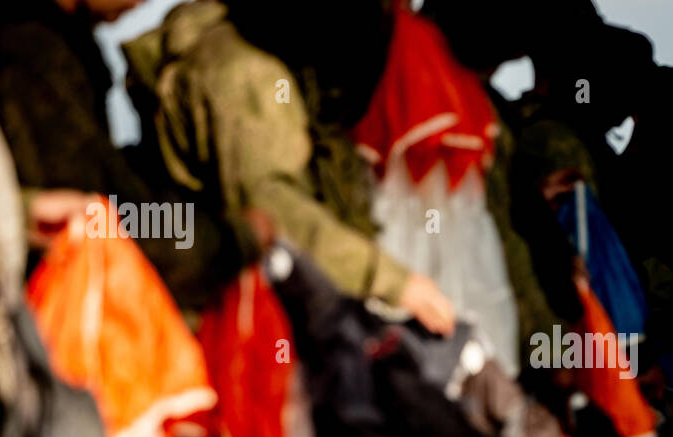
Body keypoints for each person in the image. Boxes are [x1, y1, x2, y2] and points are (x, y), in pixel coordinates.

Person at [123, 0, 455, 333]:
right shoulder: (249, 73)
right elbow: (274, 208)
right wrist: (394, 282)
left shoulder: (247, 53)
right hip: (238, 326)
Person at [0, 0, 265, 309]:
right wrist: (236, 240)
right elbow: (109, 227)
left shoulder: (50, 49)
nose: (143, 2)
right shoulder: (30, 59)